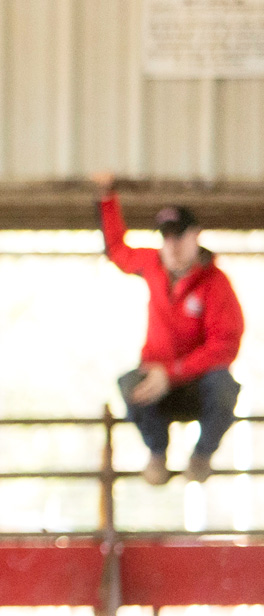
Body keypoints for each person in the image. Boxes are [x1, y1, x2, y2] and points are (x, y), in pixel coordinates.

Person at [93, 175, 245, 485]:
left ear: (195, 236)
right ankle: (157, 452)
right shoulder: (152, 264)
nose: (172, 246)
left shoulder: (216, 284)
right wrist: (107, 197)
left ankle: (203, 454)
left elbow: (225, 346)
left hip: (198, 382)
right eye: (167, 238)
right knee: (129, 385)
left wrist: (173, 373)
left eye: (179, 236)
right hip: (157, 379)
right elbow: (118, 251)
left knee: (225, 389)